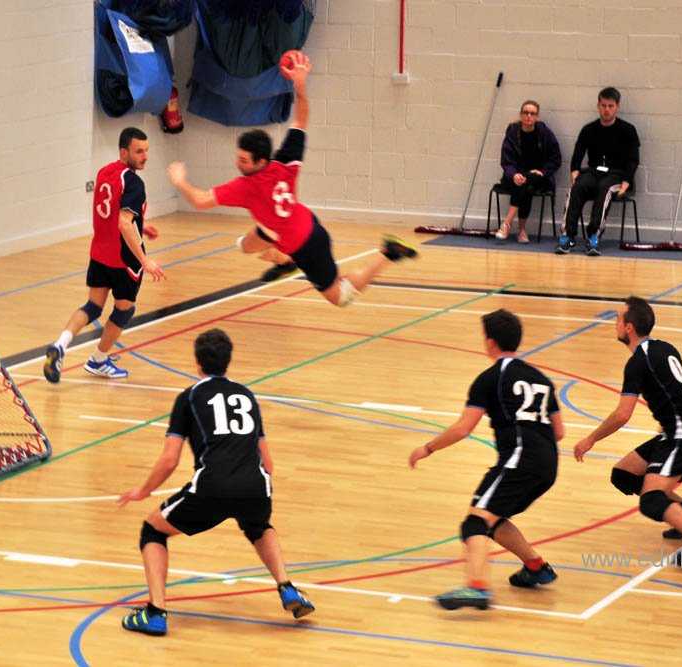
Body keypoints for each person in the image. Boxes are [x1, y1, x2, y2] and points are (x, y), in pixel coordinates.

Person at [166, 50, 418, 306]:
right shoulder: (283, 162)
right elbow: (301, 119)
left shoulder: (244, 188)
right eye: (238, 157)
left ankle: (388, 253)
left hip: (307, 245)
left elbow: (199, 200)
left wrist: (179, 181)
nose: (237, 163)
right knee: (245, 245)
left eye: (243, 161)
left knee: (340, 297)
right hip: (300, 221)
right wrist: (300, 85)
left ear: (261, 161)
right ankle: (284, 260)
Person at [117, 328, 315, 636]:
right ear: (228, 361)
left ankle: (155, 613)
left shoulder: (189, 397)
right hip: (256, 485)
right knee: (259, 526)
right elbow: (268, 463)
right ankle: (287, 587)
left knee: (152, 530)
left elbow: (170, 460)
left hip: (213, 486)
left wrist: (142, 490)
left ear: (197, 363)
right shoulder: (247, 395)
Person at [408, 309, 564, 610]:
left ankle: (477, 587)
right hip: (548, 465)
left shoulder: (490, 378)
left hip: (520, 459)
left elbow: (463, 428)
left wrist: (428, 448)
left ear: (490, 342)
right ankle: (536, 567)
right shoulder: (541, 378)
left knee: (474, 523)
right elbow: (559, 431)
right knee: (493, 518)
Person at [573, 297, 682, 564]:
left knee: (651, 500)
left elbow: (622, 415)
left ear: (629, 327)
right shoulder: (665, 348)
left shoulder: (637, 363)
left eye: (618, 319)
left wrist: (590, 439)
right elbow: (676, 390)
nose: (615, 323)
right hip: (678, 431)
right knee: (624, 474)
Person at [43, 127, 165, 384]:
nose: (145, 156)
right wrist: (145, 260)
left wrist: (141, 225)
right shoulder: (134, 182)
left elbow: (111, 213)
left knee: (93, 306)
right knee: (124, 310)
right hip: (124, 261)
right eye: (138, 151)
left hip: (99, 253)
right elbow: (123, 222)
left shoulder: (104, 173)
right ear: (124, 152)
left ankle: (60, 344)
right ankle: (97, 360)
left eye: (146, 151)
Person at [556, 87, 640, 256]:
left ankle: (593, 236)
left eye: (610, 106)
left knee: (605, 188)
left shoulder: (628, 130)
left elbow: (633, 160)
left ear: (617, 106)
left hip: (617, 175)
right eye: (603, 105)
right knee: (577, 187)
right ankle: (567, 236)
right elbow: (578, 153)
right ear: (598, 106)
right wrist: (574, 171)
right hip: (594, 172)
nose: (606, 109)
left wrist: (626, 182)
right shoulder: (589, 129)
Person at [495, 100, 562, 243]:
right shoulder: (513, 132)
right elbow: (506, 160)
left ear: (537, 117)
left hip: (538, 177)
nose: (529, 116)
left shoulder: (544, 133)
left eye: (532, 114)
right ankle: (521, 231)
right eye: (526, 113)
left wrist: (543, 171)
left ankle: (507, 223)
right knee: (525, 184)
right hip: (514, 177)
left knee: (528, 180)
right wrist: (514, 174)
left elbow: (556, 158)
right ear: (520, 115)